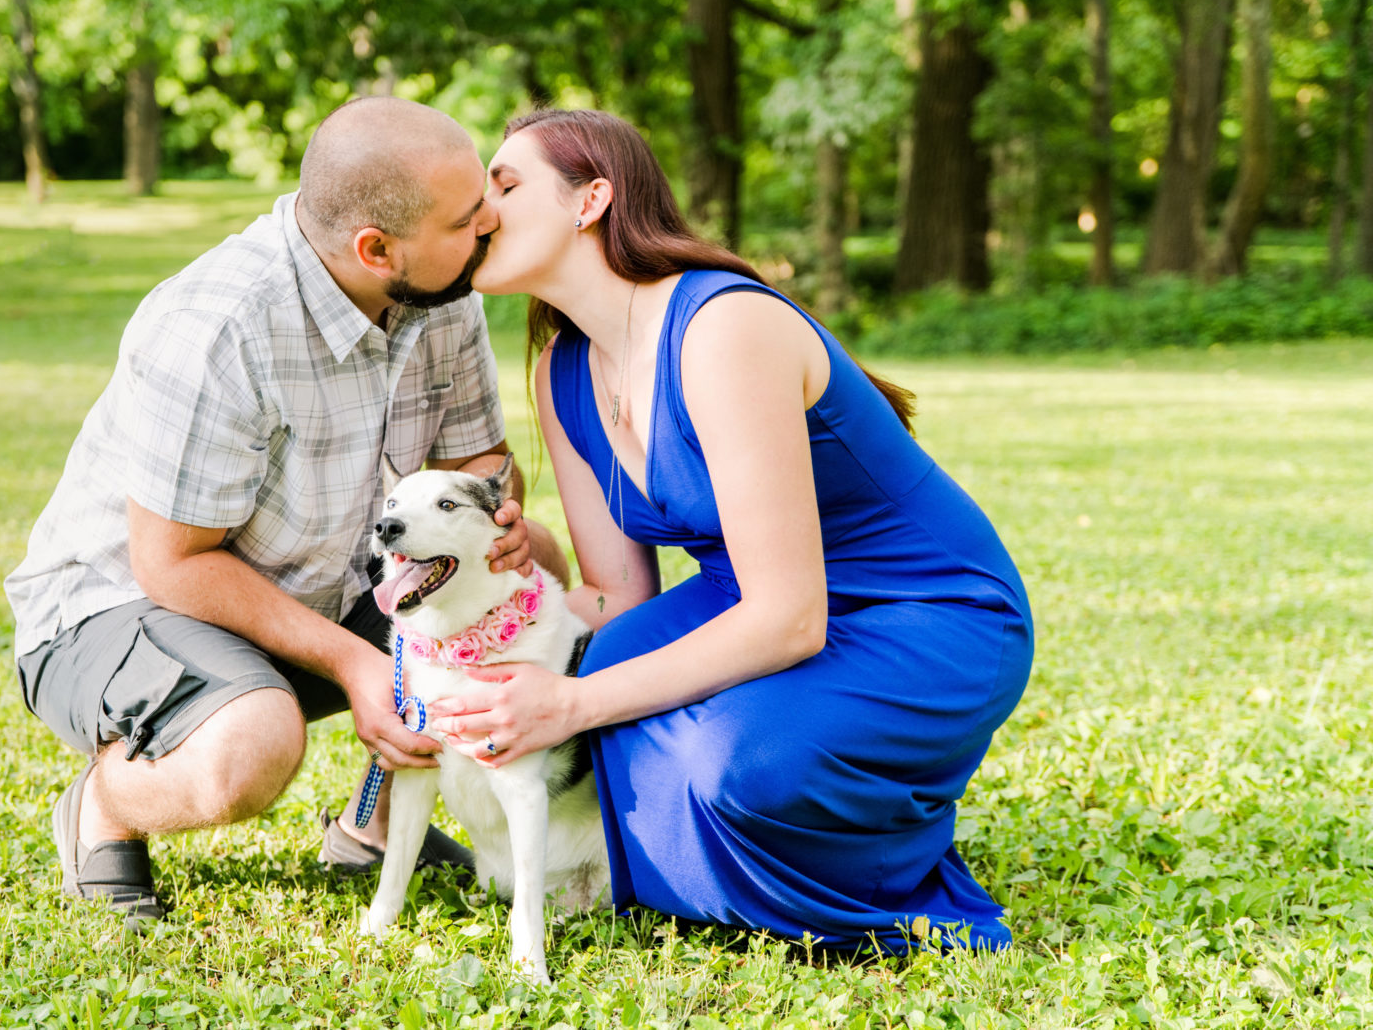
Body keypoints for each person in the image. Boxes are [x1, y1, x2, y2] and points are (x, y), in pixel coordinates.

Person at [427, 109, 1033, 952]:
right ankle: (750, 821)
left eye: (505, 183)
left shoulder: (721, 328)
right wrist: (488, 637)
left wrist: (569, 703)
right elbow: (614, 594)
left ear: (590, 200)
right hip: (742, 594)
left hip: (923, 610)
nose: (481, 209)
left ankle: (884, 853)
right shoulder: (562, 370)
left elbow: (790, 616)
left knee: (730, 767)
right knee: (614, 674)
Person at [5, 96, 568, 922]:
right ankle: (107, 805)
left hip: (331, 576)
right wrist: (357, 664)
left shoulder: (442, 290)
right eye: (466, 217)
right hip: (123, 603)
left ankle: (371, 823)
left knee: (533, 574)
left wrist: (502, 518)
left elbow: (478, 464)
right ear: (376, 249)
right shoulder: (220, 326)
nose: (492, 220)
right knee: (252, 750)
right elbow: (173, 563)